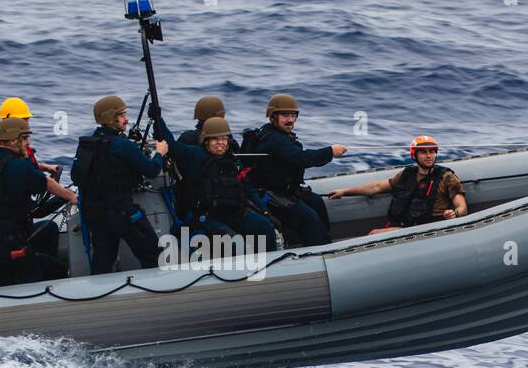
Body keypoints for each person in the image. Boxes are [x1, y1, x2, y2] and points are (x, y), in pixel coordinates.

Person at [0, 117, 76, 290]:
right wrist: (71, 197)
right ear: (14, 140)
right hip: (9, 245)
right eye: (25, 138)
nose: (28, 143)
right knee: (58, 269)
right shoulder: (18, 167)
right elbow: (46, 184)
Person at [71, 95, 168, 274]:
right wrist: (159, 153)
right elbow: (152, 170)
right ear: (111, 118)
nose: (127, 119)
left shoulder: (87, 145)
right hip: (123, 213)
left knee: (102, 261)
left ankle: (99, 296)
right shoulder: (122, 145)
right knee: (153, 256)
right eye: (122, 115)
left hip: (95, 214)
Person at [241, 93, 347, 246]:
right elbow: (301, 158)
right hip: (269, 196)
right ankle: (319, 251)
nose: (290, 120)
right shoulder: (274, 139)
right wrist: (330, 152)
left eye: (293, 115)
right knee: (308, 217)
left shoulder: (276, 134)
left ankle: (323, 241)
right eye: (285, 115)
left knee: (316, 202)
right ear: (272, 117)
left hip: (284, 190)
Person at [165, 116, 278, 252]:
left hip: (234, 213)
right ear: (206, 141)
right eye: (215, 139)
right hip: (207, 217)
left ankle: (270, 265)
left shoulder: (233, 161)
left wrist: (265, 211)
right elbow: (171, 144)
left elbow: (249, 188)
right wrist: (157, 118)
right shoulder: (195, 156)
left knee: (264, 226)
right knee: (236, 245)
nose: (221, 143)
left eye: (224, 139)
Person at [328, 135, 467, 232]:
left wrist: (454, 213)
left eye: (432, 152)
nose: (429, 156)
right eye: (424, 152)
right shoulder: (407, 174)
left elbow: (462, 207)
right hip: (406, 226)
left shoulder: (446, 177)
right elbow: (376, 187)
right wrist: (346, 191)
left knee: (374, 234)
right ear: (415, 155)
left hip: (427, 228)